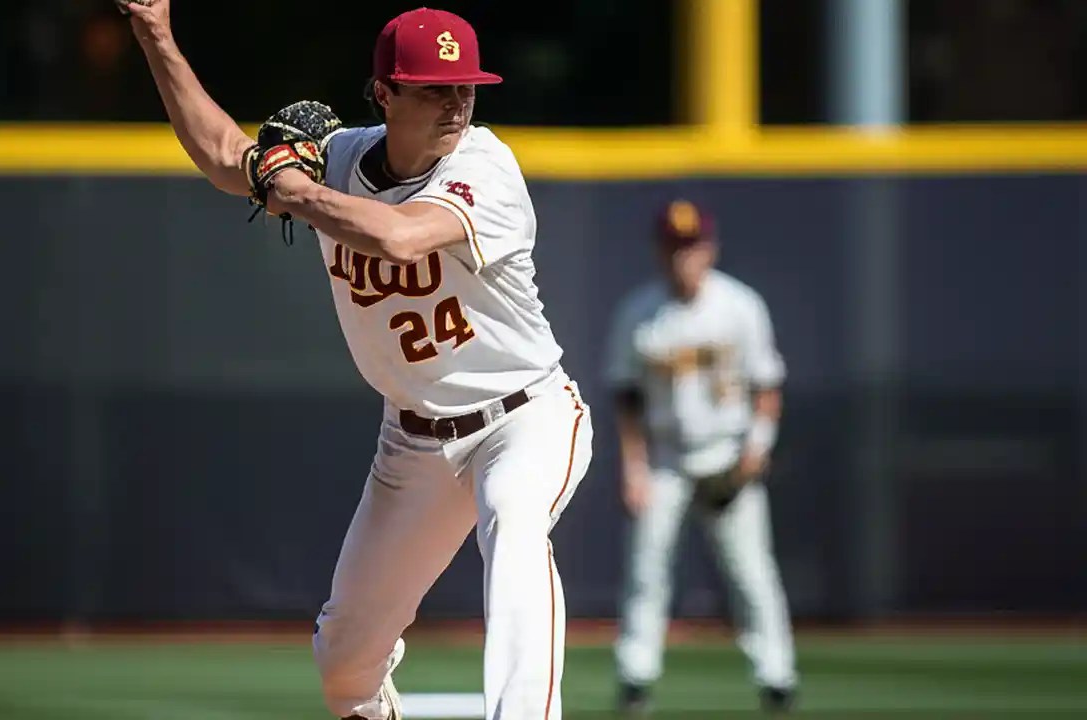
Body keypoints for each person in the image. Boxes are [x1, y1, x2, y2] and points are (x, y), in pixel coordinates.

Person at [118, 2, 594, 719]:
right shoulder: (340, 159)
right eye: (435, 87)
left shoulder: (486, 167)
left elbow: (400, 238)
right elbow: (223, 154)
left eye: (466, 85)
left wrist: (296, 193)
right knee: (345, 664)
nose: (456, 102)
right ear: (385, 93)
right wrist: (156, 35)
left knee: (516, 527)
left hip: (523, 418)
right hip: (413, 439)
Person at [604, 199, 798, 714]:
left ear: (709, 249)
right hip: (667, 456)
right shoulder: (639, 312)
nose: (681, 257)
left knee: (752, 572)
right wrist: (634, 467)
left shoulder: (739, 306)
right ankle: (636, 674)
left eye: (690, 246)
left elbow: (767, 384)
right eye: (673, 246)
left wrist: (757, 448)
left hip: (726, 453)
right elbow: (626, 397)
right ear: (658, 250)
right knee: (646, 570)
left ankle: (776, 674)